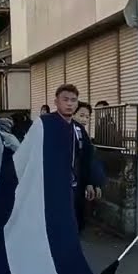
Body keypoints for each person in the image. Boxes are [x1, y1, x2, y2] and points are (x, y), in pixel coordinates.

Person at [52, 84, 103, 231]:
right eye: (65, 99)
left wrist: (91, 182)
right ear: (57, 102)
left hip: (76, 184)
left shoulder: (80, 131)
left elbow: (88, 158)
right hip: (54, 184)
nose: (69, 103)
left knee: (75, 222)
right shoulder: (47, 124)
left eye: (73, 100)